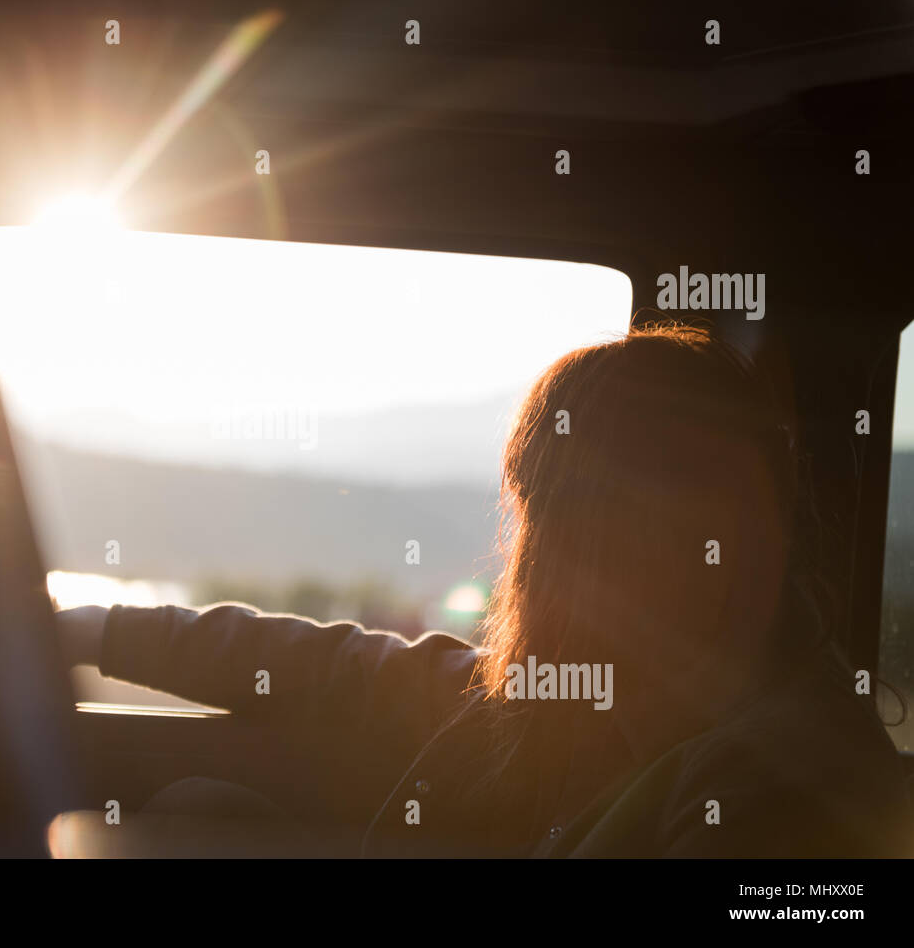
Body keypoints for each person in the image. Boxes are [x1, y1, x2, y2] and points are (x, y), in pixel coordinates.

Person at [55, 324, 912, 857]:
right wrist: (89, 628)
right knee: (204, 813)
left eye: (549, 524)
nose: (530, 561)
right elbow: (344, 667)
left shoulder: (788, 784)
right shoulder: (596, 695)